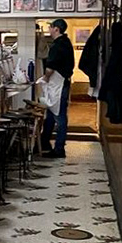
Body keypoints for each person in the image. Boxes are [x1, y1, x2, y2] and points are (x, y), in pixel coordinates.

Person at [40, 18, 75, 158]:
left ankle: (59, 149)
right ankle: (43, 142)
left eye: (51, 27)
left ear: (56, 29)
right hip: (62, 84)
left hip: (58, 86)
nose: (49, 29)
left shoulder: (57, 45)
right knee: (50, 115)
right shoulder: (66, 43)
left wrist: (45, 78)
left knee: (59, 117)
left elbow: (50, 68)